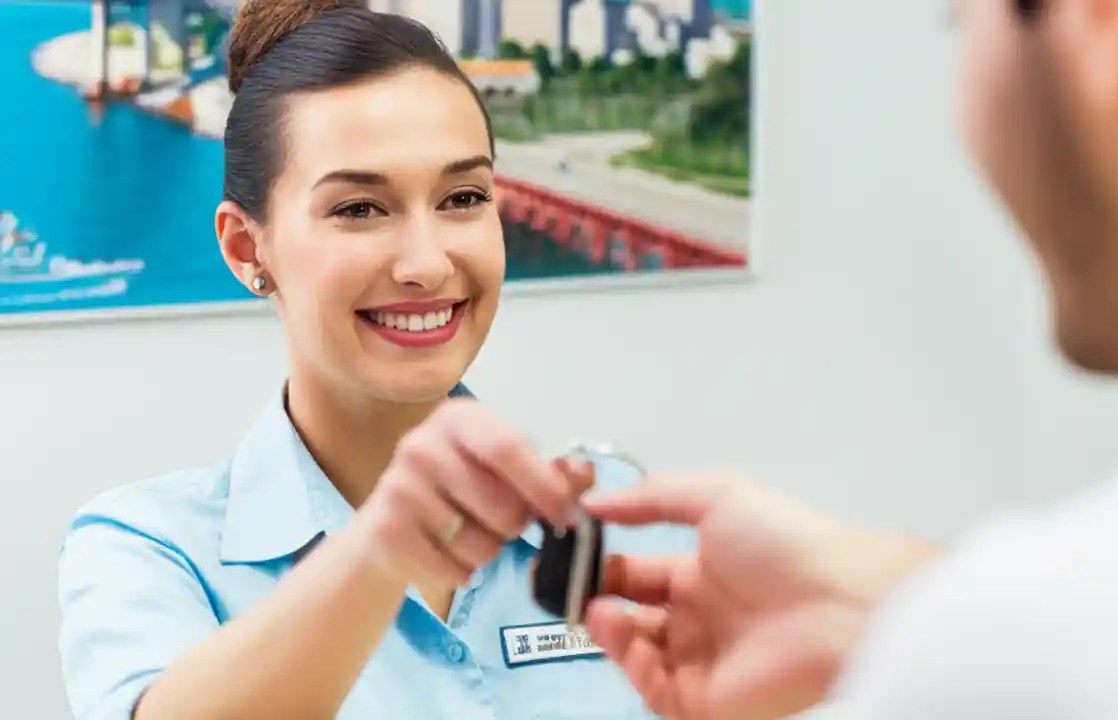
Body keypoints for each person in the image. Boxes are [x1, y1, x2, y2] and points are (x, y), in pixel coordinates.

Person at [581, 0, 1118, 718]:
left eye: (960, 20)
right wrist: (907, 604)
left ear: (1107, 18)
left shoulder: (1024, 657)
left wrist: (961, 630)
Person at [56, 2, 683, 718]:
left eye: (463, 198)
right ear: (245, 248)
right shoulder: (150, 547)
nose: (426, 263)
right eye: (359, 209)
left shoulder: (613, 512)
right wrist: (383, 549)